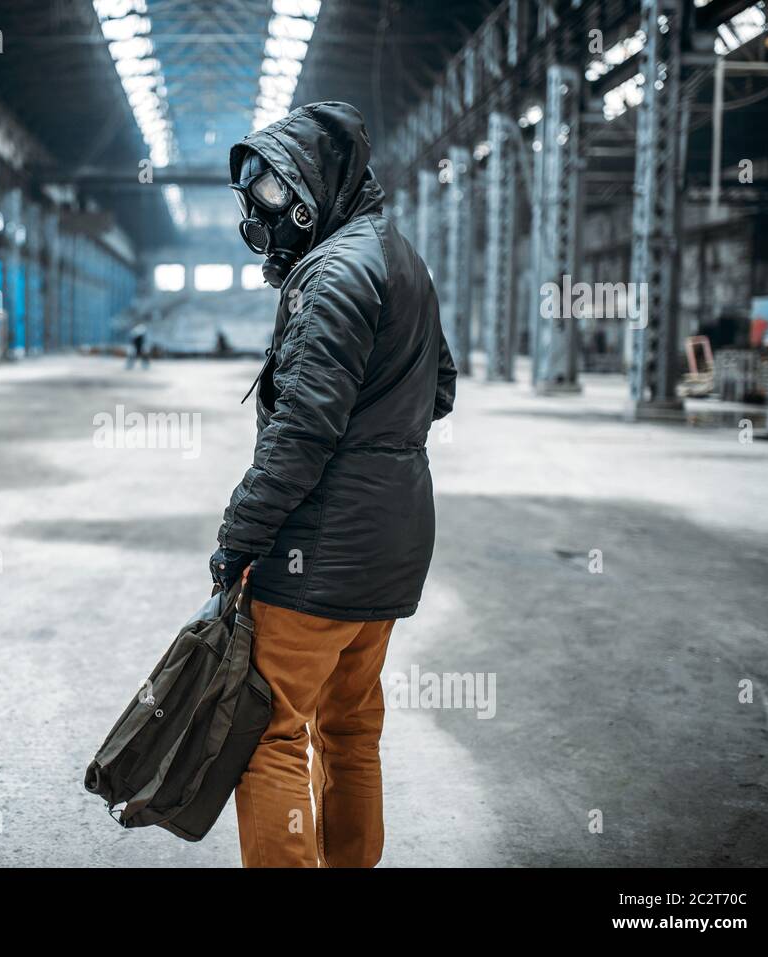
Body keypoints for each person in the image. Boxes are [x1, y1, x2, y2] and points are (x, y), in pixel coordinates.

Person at [209, 101, 457, 868]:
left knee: (271, 734)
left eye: (275, 202)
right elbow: (440, 388)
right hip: (391, 546)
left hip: (315, 556)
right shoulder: (397, 258)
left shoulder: (332, 271)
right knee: (351, 729)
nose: (266, 225)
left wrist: (237, 539)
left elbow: (303, 435)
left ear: (315, 188)